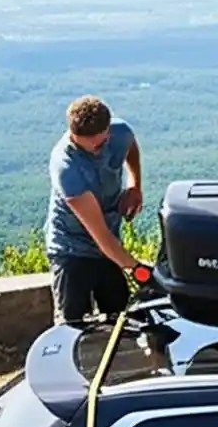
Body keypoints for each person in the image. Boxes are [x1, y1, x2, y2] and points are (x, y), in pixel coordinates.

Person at [44, 95, 149, 323]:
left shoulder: (119, 133)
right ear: (73, 135)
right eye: (91, 146)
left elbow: (130, 145)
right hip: (72, 248)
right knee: (72, 326)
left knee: (121, 319)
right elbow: (100, 234)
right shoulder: (66, 168)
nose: (98, 151)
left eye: (103, 143)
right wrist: (140, 271)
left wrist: (135, 186)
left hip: (108, 246)